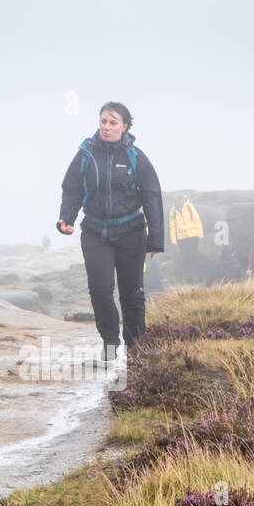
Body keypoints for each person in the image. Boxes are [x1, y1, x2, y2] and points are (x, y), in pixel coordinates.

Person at [57, 101, 164, 360]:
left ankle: (136, 349)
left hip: (131, 231)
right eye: (103, 121)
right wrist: (66, 218)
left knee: (132, 292)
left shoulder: (136, 157)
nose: (106, 126)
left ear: (124, 126)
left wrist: (156, 239)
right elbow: (72, 188)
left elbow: (151, 195)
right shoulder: (86, 153)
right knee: (101, 288)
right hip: (95, 231)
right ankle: (109, 343)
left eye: (113, 122)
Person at [168, 194, 204, 283]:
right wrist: (174, 240)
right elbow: (172, 227)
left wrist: (200, 234)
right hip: (181, 239)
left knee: (194, 257)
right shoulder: (173, 210)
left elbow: (197, 220)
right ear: (177, 200)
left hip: (193, 236)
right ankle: (189, 279)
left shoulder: (190, 207)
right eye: (180, 200)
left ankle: (199, 277)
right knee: (185, 258)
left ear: (185, 200)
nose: (182, 202)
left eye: (183, 200)